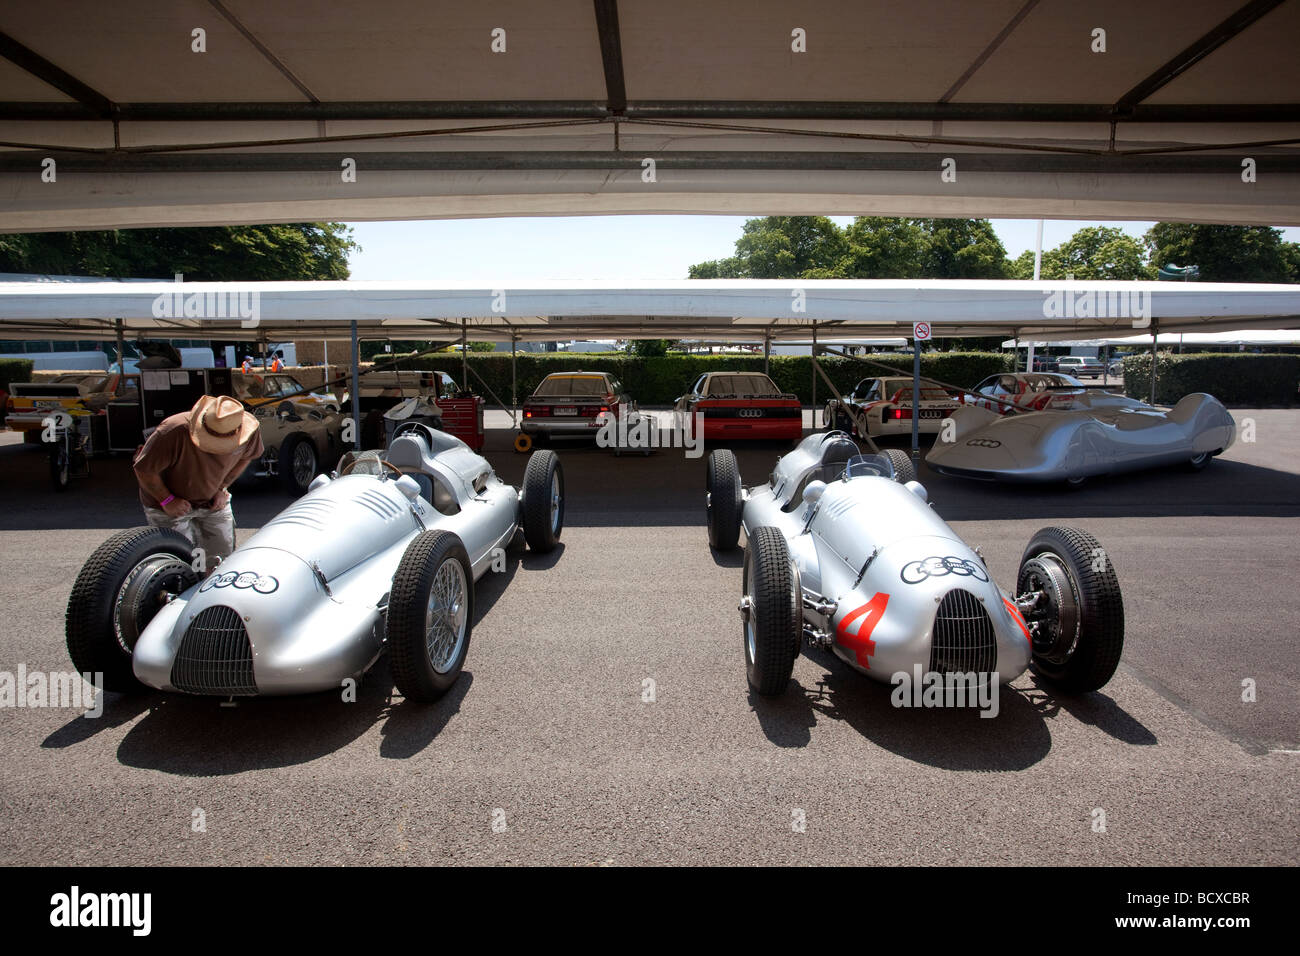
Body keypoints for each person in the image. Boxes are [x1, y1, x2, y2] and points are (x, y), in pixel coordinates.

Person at [133, 395, 263, 571]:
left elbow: (247, 457)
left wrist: (221, 488)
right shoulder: (173, 430)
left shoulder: (249, 431)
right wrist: (167, 500)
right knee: (179, 563)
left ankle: (211, 594)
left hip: (212, 502)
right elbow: (144, 469)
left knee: (220, 561)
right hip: (168, 504)